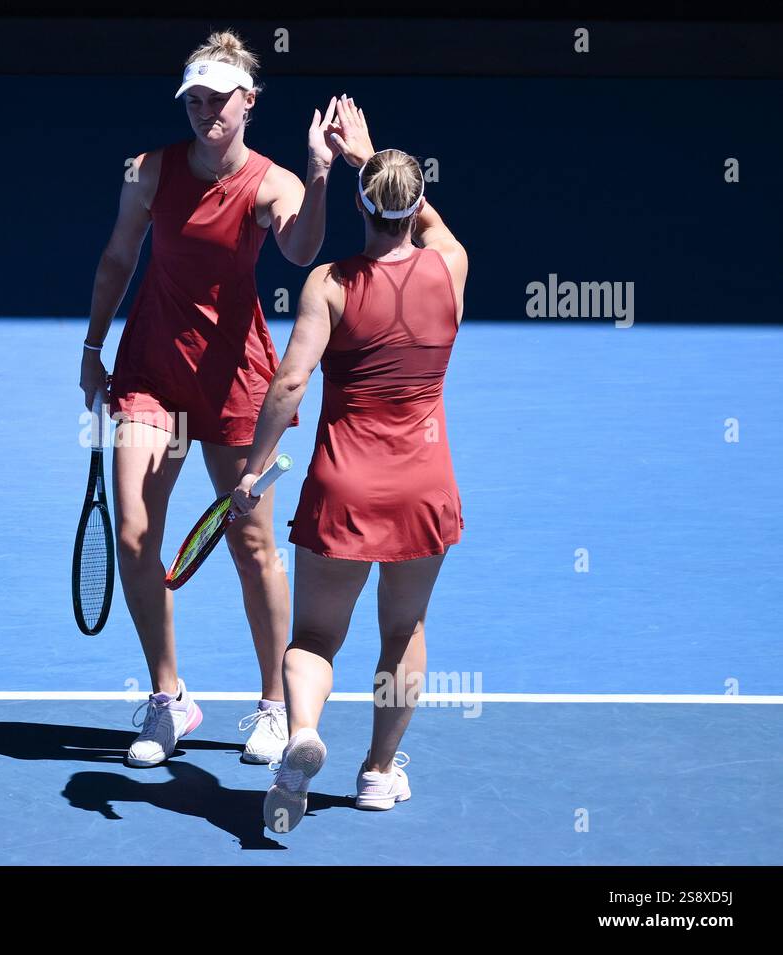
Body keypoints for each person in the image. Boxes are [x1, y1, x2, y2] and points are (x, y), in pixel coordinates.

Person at [80, 30, 356, 767]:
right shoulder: (149, 172)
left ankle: (273, 704)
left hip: (237, 384)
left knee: (253, 544)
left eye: (218, 101)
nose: (205, 112)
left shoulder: (274, 184)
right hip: (151, 377)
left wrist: (322, 173)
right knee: (137, 532)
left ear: (249, 103)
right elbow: (117, 258)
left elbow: (301, 250)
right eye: (194, 100)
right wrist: (91, 351)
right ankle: (169, 699)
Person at [230, 99, 468, 830]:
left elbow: (291, 380)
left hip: (344, 487)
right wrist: (370, 158)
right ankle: (376, 772)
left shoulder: (329, 284)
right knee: (403, 632)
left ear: (362, 207)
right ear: (418, 201)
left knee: (313, 640)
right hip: (424, 487)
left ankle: (303, 731)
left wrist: (253, 468)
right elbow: (427, 221)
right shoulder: (452, 267)